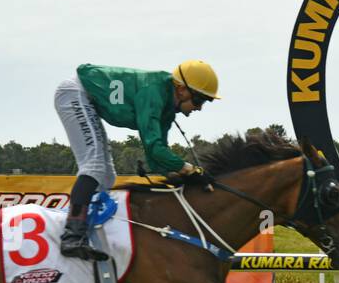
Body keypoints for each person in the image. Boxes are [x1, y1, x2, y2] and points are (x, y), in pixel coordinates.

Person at [53, 60, 219, 260]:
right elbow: (155, 148)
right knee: (95, 167)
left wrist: (187, 178)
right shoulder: (155, 93)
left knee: (107, 177)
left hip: (85, 99)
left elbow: (156, 159)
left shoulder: (167, 106)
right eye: (199, 100)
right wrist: (191, 170)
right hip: (75, 93)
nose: (199, 108)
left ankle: (88, 230)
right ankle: (72, 236)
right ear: (182, 90)